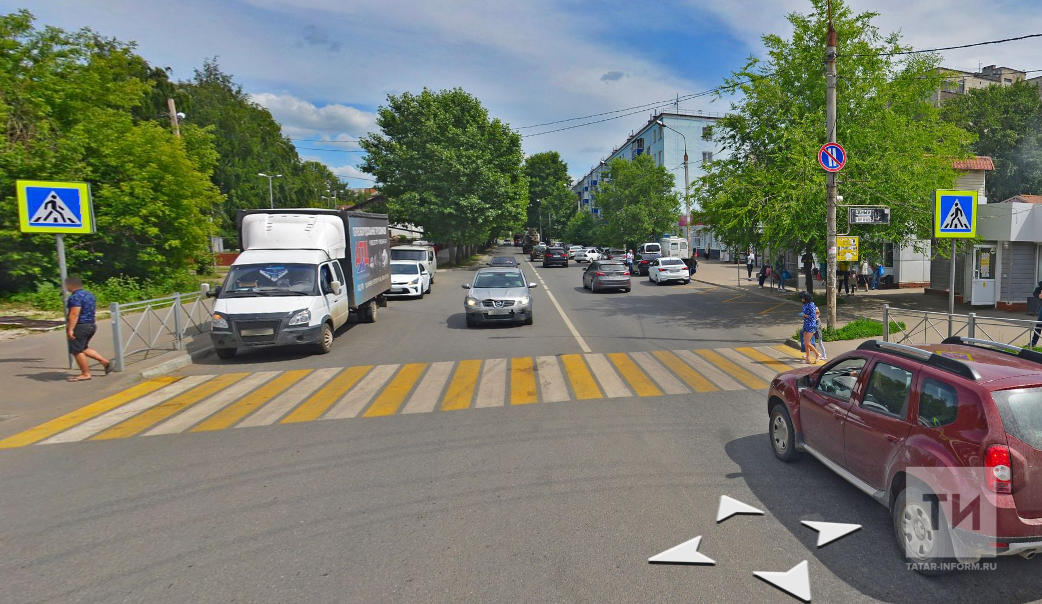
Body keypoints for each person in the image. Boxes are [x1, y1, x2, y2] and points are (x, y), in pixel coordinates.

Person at [64, 276, 111, 381]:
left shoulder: (75, 297)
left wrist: (70, 329)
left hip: (80, 326)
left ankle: (85, 374)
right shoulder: (89, 294)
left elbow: (74, 314)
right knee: (83, 348)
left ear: (71, 285)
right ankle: (104, 362)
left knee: (76, 350)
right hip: (91, 325)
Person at [799, 291, 821, 364]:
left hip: (811, 325)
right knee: (806, 343)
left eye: (802, 298)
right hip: (806, 325)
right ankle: (808, 358)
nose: (802, 299)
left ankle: (817, 354)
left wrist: (804, 315)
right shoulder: (805, 305)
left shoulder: (811, 305)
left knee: (807, 342)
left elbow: (813, 316)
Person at [1031, 280, 1042, 348]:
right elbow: (1035, 292)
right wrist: (1039, 295)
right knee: (1039, 324)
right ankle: (1033, 342)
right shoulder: (1041, 284)